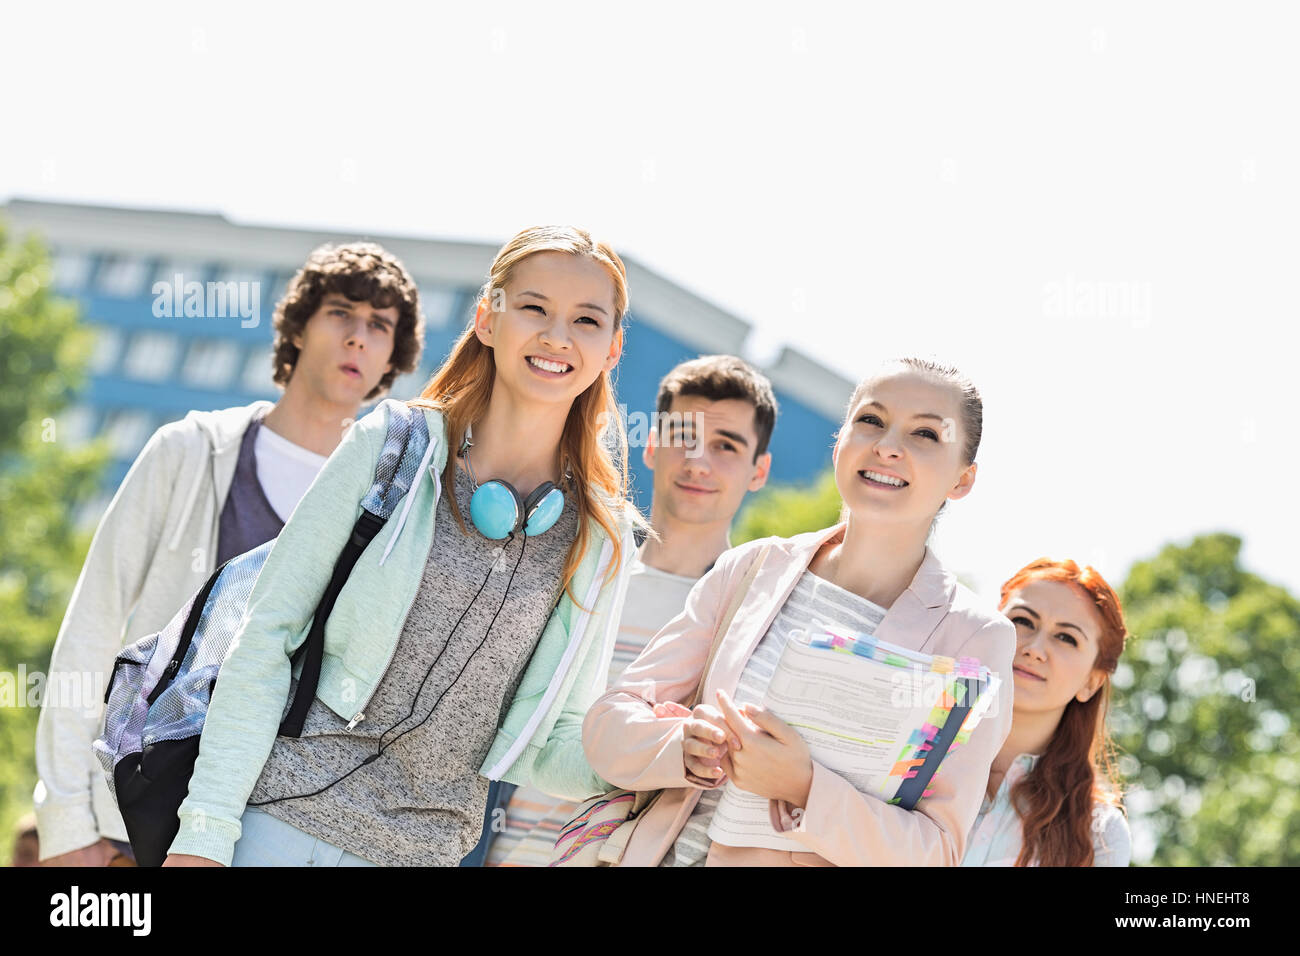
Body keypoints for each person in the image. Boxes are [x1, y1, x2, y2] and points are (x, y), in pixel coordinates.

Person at [162, 225, 645, 867]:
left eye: (586, 320)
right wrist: (204, 835)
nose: (558, 336)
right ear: (487, 319)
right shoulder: (391, 446)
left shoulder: (599, 537)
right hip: (270, 829)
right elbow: (265, 638)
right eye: (534, 308)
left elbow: (547, 745)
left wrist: (651, 757)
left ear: (611, 351)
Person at [33, 242, 423, 865]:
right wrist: (65, 819)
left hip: (273, 829)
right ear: (298, 326)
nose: (358, 339)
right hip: (131, 814)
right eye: (341, 314)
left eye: (379, 327)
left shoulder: (390, 505)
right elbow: (92, 626)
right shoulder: (188, 451)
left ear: (391, 358)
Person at [583, 357, 1016, 865]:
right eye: (871, 420)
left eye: (925, 434)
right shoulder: (751, 567)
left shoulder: (975, 639)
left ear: (962, 479)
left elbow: (936, 848)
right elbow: (609, 725)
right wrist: (684, 746)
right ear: (840, 441)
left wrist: (804, 787)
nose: (887, 446)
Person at [483, 354, 777, 865]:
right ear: (651, 445)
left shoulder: (752, 621)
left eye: (726, 446)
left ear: (760, 471)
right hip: (493, 847)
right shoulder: (579, 571)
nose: (698, 460)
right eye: (682, 435)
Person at [961, 558, 1132, 866]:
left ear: (1092, 682)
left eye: (1066, 637)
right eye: (1023, 621)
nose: (1034, 649)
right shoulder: (902, 750)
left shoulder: (1101, 835)